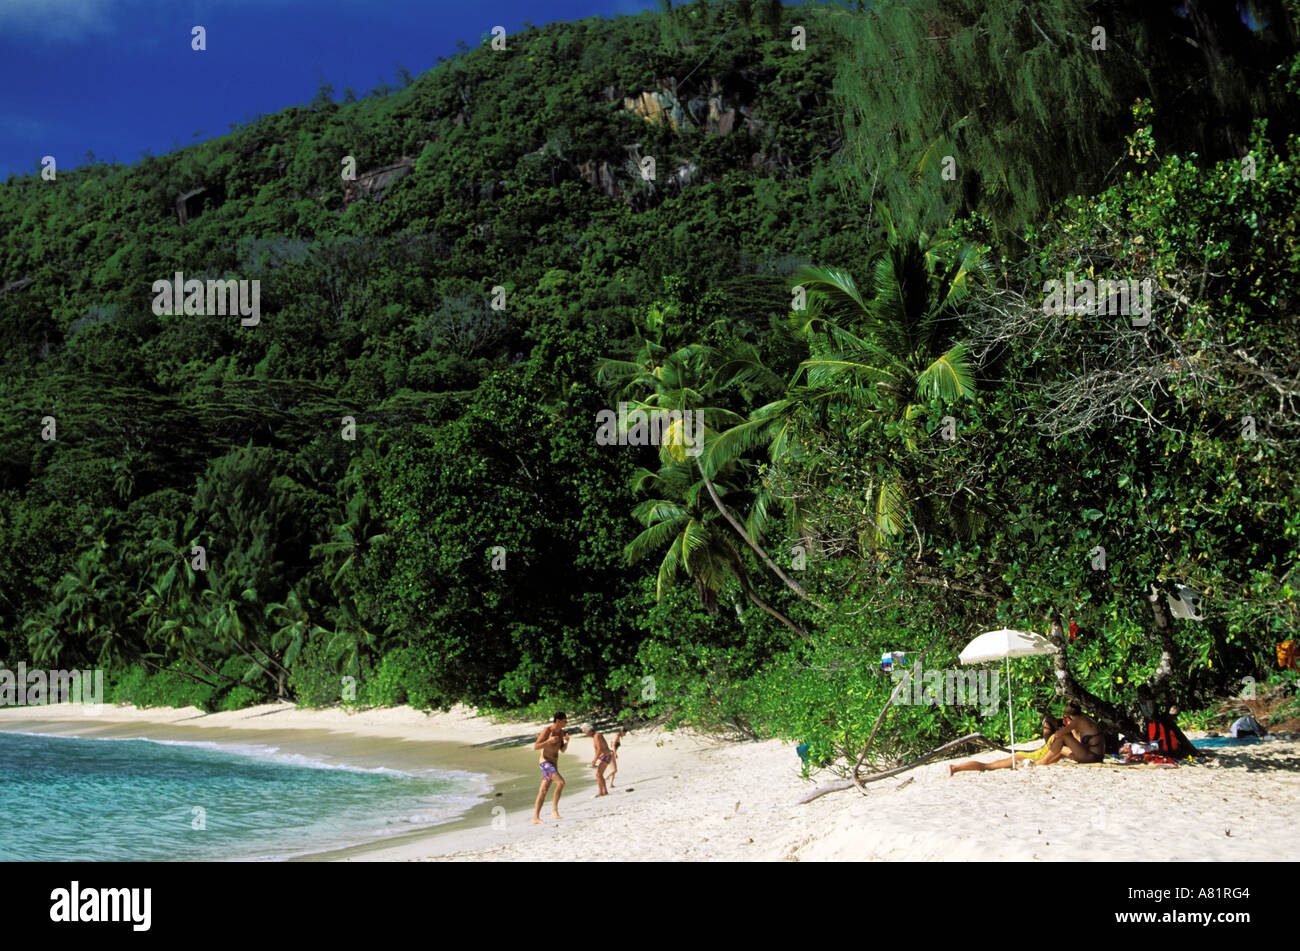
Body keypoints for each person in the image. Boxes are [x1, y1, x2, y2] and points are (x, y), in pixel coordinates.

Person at [948, 716, 1063, 775]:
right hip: (1024, 758)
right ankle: (955, 768)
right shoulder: (1059, 738)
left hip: (1026, 755)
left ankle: (956, 768)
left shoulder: (1052, 738)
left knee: (988, 766)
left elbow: (1047, 720)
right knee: (987, 766)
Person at [1036, 701, 1105, 764]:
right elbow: (1080, 743)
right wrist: (1072, 730)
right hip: (1095, 757)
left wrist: (1053, 739)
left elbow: (1059, 734)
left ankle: (1043, 761)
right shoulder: (1084, 720)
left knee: (1064, 736)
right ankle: (1046, 762)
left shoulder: (1078, 721)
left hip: (1092, 757)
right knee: (1061, 750)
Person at [532, 712, 568, 824]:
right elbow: (536, 746)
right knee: (561, 783)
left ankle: (535, 818)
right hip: (545, 763)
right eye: (565, 721)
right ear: (558, 721)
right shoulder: (547, 731)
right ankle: (554, 811)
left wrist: (566, 742)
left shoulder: (561, 732)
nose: (566, 723)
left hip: (553, 764)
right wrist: (548, 741)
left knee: (543, 791)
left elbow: (562, 750)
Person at [583, 724, 614, 797]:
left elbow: (599, 749)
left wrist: (594, 760)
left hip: (605, 756)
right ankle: (604, 791)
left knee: (598, 774)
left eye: (585, 732)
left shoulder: (597, 736)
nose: (585, 734)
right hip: (605, 756)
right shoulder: (596, 736)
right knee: (599, 774)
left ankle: (601, 792)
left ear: (589, 731)